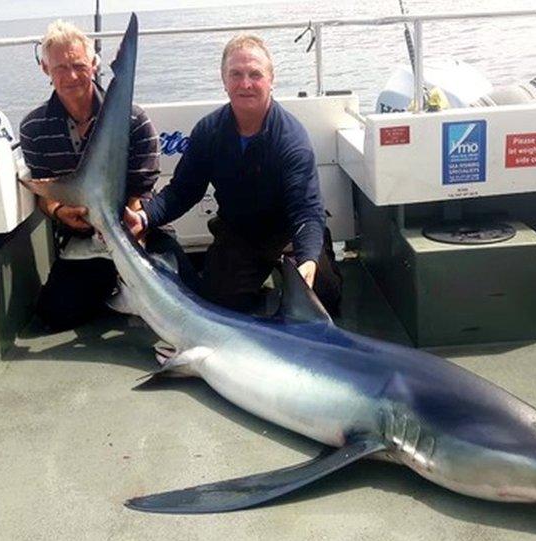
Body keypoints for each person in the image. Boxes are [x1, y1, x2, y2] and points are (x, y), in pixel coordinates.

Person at [124, 34, 342, 315]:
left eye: (255, 74)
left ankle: (312, 265)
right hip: (240, 233)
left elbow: (307, 212)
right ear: (224, 80)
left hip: (290, 230)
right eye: (236, 74)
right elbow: (182, 192)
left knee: (325, 300)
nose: (245, 83)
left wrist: (309, 259)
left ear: (271, 79)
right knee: (219, 305)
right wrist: (143, 217)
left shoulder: (291, 140)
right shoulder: (208, 132)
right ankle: (260, 295)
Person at [19, 20, 159, 331]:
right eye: (60, 67)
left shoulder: (134, 119)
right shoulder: (33, 129)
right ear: (45, 69)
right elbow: (44, 194)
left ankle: (117, 281)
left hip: (134, 230)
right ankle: (109, 286)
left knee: (189, 290)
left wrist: (128, 231)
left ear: (94, 64)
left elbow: (142, 189)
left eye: (79, 65)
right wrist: (60, 210)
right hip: (82, 238)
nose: (71, 76)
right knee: (54, 314)